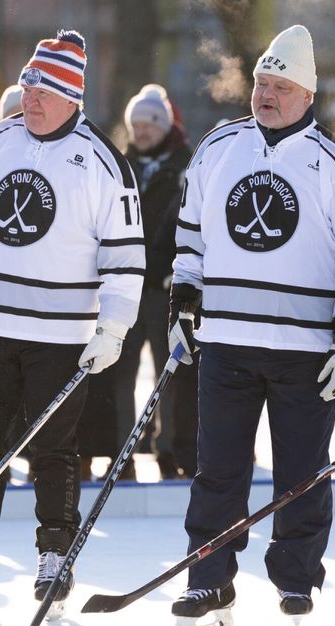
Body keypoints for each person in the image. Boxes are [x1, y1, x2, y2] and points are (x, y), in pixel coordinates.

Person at [0, 30, 143, 619]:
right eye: (29, 86)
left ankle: (54, 557)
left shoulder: (104, 162)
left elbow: (125, 257)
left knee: (53, 449)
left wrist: (113, 326)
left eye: (43, 89)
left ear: (72, 95)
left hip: (61, 333)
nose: (31, 97)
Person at [168, 25, 335, 626]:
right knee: (219, 469)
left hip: (304, 350)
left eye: (280, 86)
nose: (266, 94)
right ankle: (208, 579)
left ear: (306, 95)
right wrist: (182, 298)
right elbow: (190, 236)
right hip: (226, 342)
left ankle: (296, 577)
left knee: (302, 472)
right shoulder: (219, 147)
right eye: (260, 83)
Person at [115, 83, 192, 479]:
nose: (141, 131)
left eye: (149, 124)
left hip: (167, 288)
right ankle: (121, 452)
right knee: (119, 373)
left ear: (164, 125)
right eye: (136, 124)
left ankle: (168, 449)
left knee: (171, 372)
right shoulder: (119, 165)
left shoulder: (187, 166)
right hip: (125, 288)